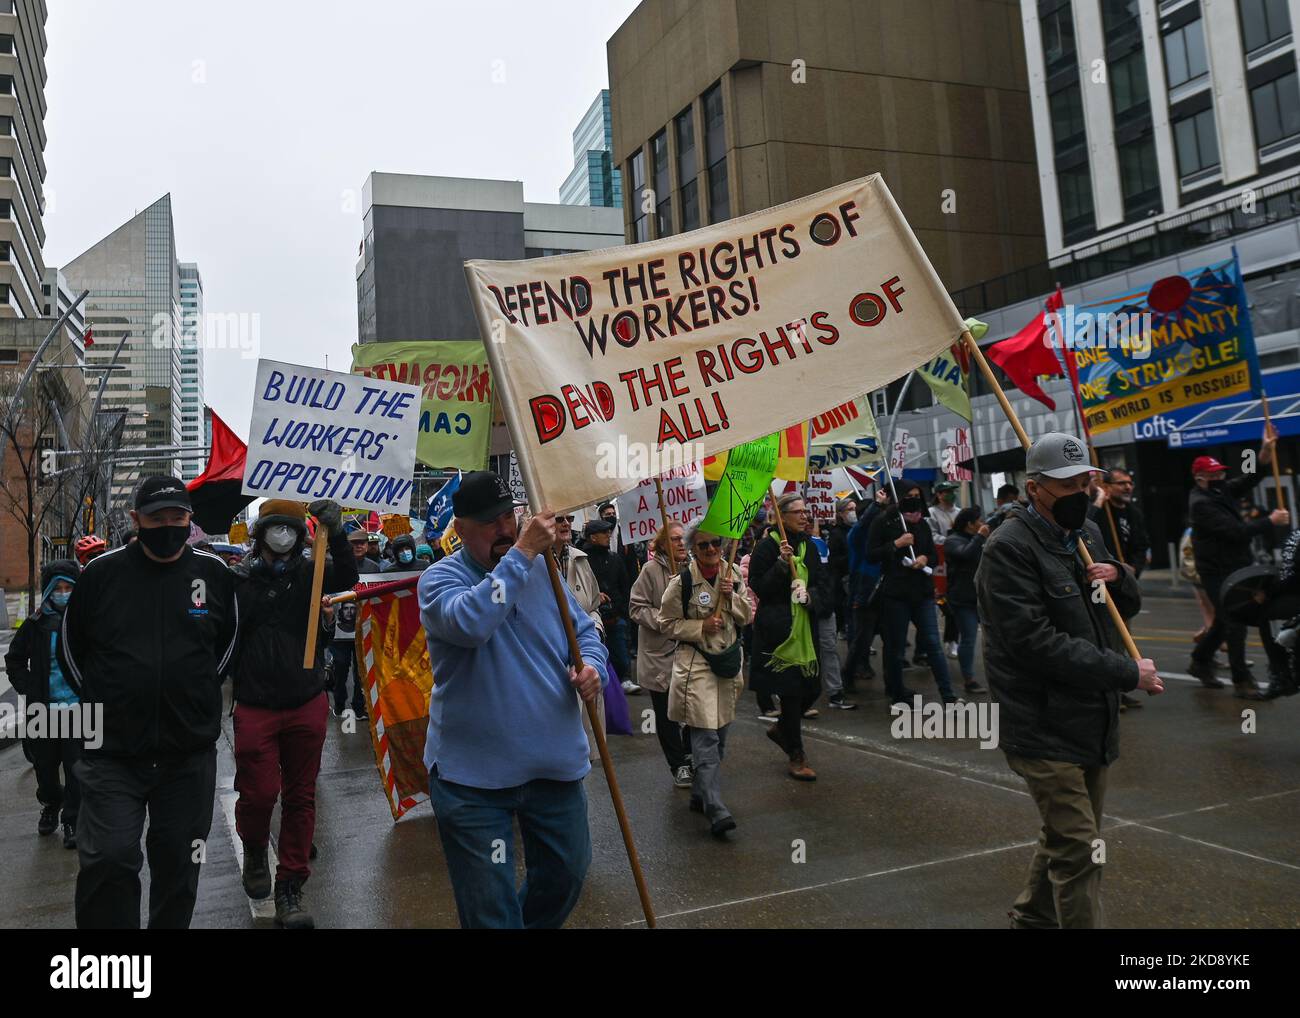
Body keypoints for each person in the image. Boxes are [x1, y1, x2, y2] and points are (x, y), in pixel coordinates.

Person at [977, 432, 1163, 929]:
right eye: (1068, 484)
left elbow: (1121, 610)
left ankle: (1032, 916)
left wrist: (1119, 576)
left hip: (1089, 717)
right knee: (1082, 848)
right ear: (1034, 487)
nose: (1081, 491)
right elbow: (1033, 643)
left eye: (1086, 481)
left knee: (1069, 837)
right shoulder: (1007, 549)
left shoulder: (1087, 533)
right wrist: (1128, 673)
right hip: (1040, 723)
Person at [418, 471, 606, 929]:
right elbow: (472, 622)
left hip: (553, 766)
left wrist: (593, 667)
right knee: (489, 910)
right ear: (459, 529)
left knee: (565, 875)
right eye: (490, 522)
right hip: (473, 781)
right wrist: (521, 553)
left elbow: (583, 632)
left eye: (509, 516)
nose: (504, 528)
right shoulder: (438, 580)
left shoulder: (543, 569)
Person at [59, 476, 239, 929]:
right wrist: (105, 700)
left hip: (187, 755)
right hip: (111, 755)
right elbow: (69, 649)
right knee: (109, 861)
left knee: (180, 864)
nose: (167, 526)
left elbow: (229, 641)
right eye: (156, 518)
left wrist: (197, 692)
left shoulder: (212, 574)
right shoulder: (101, 575)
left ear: (189, 520)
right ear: (136, 520)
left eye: (176, 517)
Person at [228, 498, 355, 929]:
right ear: (259, 534)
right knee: (259, 793)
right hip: (255, 705)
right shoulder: (238, 581)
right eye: (273, 528)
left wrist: (335, 532)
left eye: (289, 529)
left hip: (305, 700)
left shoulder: (312, 573)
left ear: (302, 535)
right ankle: (254, 848)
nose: (281, 537)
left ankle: (291, 887)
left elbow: (350, 576)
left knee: (301, 797)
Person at [659, 524, 751, 837]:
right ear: (693, 550)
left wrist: (733, 599)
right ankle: (715, 808)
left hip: (726, 666)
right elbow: (666, 623)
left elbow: (747, 615)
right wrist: (699, 627)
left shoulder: (733, 574)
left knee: (721, 735)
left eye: (714, 544)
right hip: (696, 665)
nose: (711, 550)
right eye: (703, 546)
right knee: (706, 738)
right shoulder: (682, 582)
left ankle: (700, 792)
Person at [1187, 434, 1289, 698]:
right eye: (1213, 474)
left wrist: (1264, 451)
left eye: (1220, 473)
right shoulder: (1202, 503)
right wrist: (1271, 521)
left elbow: (1249, 477)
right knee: (1235, 622)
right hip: (1216, 571)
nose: (1220, 478)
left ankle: (1200, 660)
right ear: (1200, 478)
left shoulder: (1219, 491)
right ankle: (1241, 680)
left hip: (1235, 566)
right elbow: (1236, 532)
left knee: (1225, 619)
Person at [748, 493, 828, 781]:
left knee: (813, 689)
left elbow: (822, 583)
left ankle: (781, 728)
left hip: (805, 629)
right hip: (779, 633)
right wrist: (782, 567)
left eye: (806, 511)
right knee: (792, 695)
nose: (805, 516)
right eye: (798, 512)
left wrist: (811, 597)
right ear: (781, 517)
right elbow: (758, 586)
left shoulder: (809, 546)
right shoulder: (768, 547)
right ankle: (796, 754)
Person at [6, 558, 82, 847]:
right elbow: (13, 659)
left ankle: (73, 820)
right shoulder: (35, 625)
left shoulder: (83, 624)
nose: (63, 593)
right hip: (43, 709)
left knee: (78, 769)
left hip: (80, 708)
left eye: (68, 588)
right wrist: (28, 687)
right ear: (49, 591)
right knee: (45, 768)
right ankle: (51, 803)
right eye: (58, 588)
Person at [868, 482, 959, 705]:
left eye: (917, 495)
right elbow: (871, 555)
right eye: (909, 496)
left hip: (922, 593)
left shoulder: (922, 523)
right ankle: (897, 694)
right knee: (896, 648)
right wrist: (896, 544)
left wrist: (925, 559)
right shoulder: (883, 521)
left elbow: (933, 554)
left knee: (933, 644)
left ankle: (948, 695)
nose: (914, 500)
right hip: (896, 594)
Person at [629, 522, 692, 788]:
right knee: (666, 716)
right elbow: (636, 608)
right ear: (663, 543)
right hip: (660, 655)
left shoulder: (693, 567)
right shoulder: (650, 570)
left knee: (692, 708)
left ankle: (689, 751)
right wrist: (665, 620)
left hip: (689, 651)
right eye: (675, 539)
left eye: (683, 539)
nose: (681, 543)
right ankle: (678, 765)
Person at [553, 511, 607, 760]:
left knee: (583, 750)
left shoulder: (580, 559)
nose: (565, 524)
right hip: (551, 664)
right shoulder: (530, 562)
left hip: (581, 662)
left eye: (569, 519)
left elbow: (592, 606)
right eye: (558, 519)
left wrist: (595, 629)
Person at [584, 517, 637, 694]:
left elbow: (624, 585)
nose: (608, 535)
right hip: (593, 619)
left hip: (616, 617)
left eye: (609, 532)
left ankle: (624, 678)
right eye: (603, 532)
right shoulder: (581, 560)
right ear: (592, 537)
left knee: (621, 654)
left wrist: (621, 610)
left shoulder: (615, 559)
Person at [844, 487, 889, 686]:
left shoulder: (880, 536)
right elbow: (862, 526)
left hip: (883, 588)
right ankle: (850, 673)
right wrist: (877, 505)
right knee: (861, 635)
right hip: (863, 590)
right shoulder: (857, 535)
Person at [943, 507, 986, 695]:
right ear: (969, 524)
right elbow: (965, 554)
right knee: (968, 638)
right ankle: (969, 679)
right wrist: (980, 537)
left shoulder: (975, 540)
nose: (982, 523)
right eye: (979, 520)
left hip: (981, 596)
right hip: (962, 599)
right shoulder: (953, 541)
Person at [1089, 468, 1150, 578]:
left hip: (1126, 577)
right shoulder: (1099, 510)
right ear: (1106, 487)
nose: (1128, 487)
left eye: (1130, 483)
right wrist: (1099, 500)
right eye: (1121, 483)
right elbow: (1084, 528)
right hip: (1102, 576)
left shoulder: (1135, 514)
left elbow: (1141, 545)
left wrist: (1134, 568)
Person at [826, 498, 855, 638]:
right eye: (850, 509)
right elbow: (834, 560)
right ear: (841, 513)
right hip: (843, 581)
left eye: (855, 509)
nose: (854, 513)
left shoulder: (858, 530)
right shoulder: (836, 533)